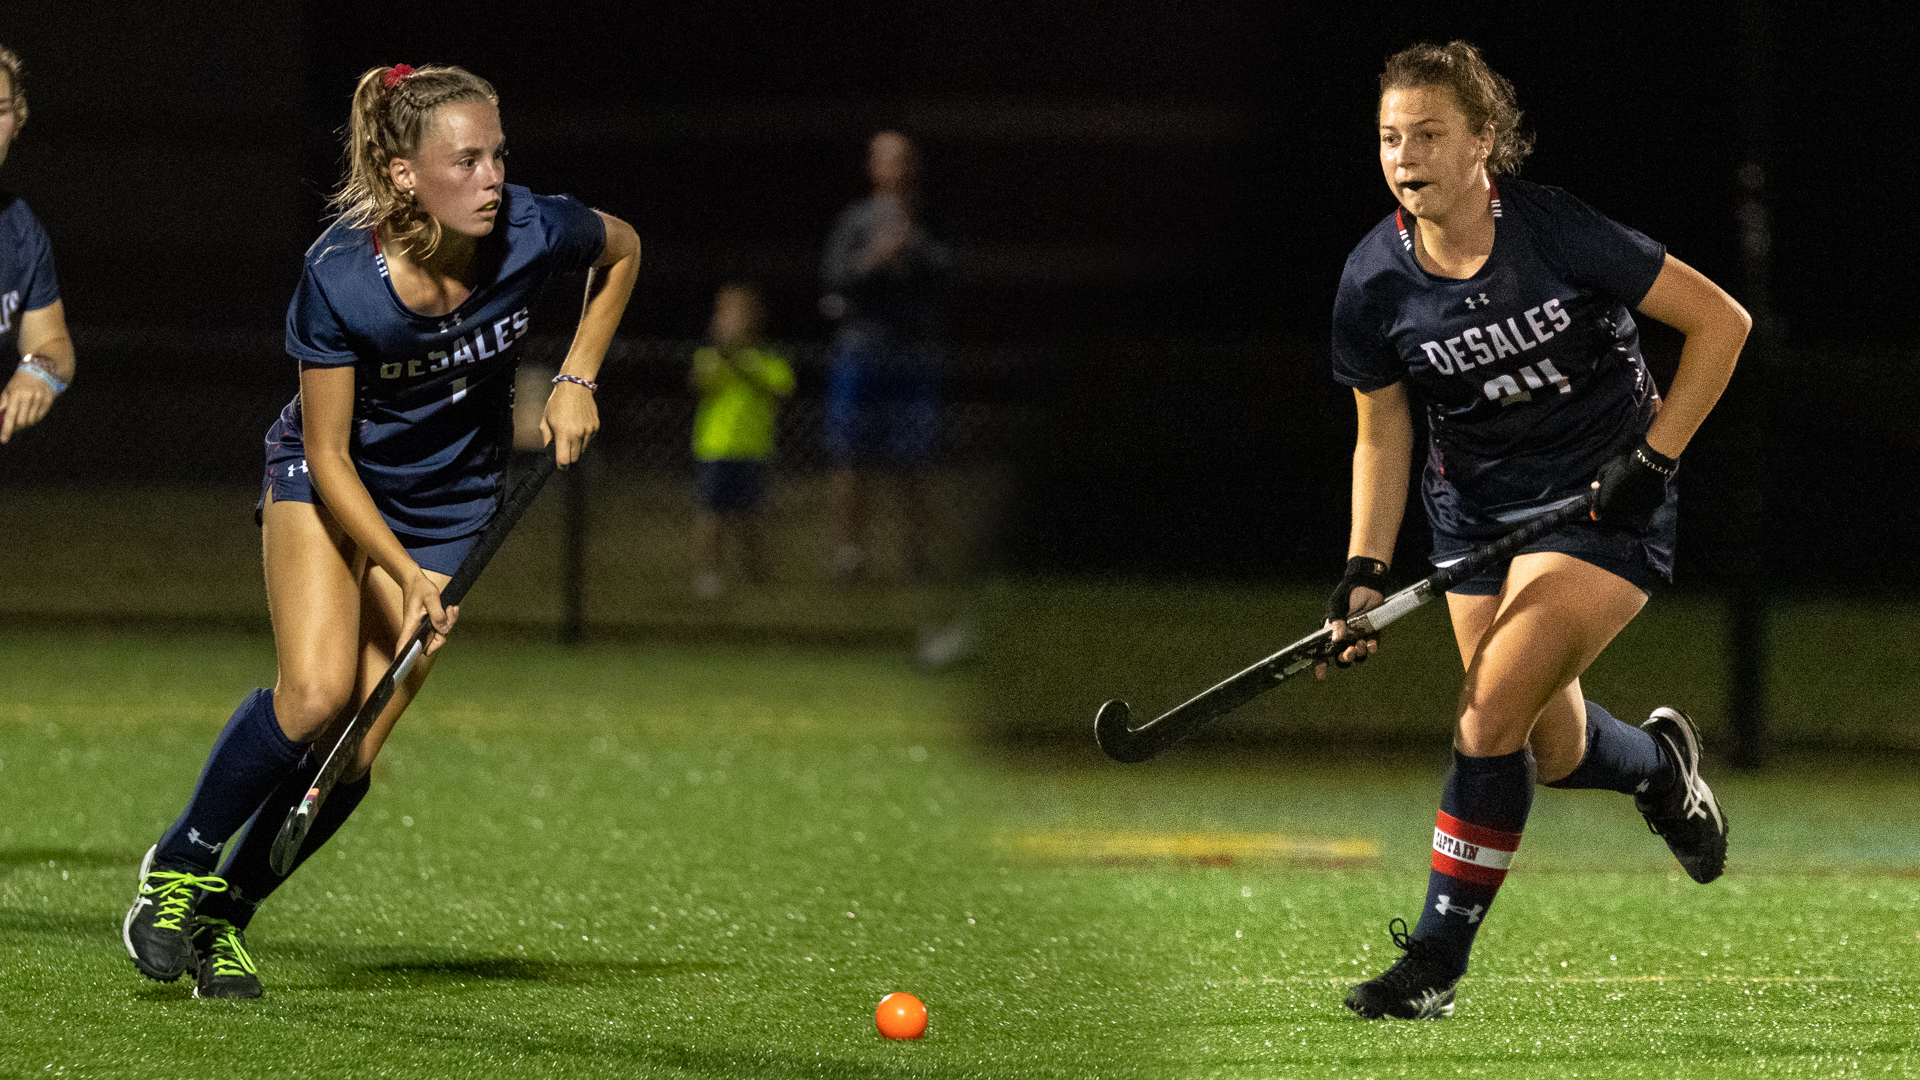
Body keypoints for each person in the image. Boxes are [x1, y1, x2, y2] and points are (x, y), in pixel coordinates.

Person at [121, 63, 640, 999]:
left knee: (353, 749)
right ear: (405, 175)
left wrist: (577, 377)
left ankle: (222, 923)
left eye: (499, 155)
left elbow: (626, 248)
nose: (494, 179)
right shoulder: (340, 279)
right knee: (317, 692)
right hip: (327, 489)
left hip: (451, 504)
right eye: (467, 160)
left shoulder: (529, 228)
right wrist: (404, 573)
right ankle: (177, 868)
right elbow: (329, 454)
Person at [1325, 42, 1747, 1020]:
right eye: (1391, 136)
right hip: (1473, 520)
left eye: (1429, 133)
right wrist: (1362, 568)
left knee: (1483, 715)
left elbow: (1720, 322)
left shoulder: (1556, 232)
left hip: (1602, 509)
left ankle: (1433, 964)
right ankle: (1660, 771)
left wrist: (1656, 456)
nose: (1405, 154)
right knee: (1546, 751)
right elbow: (1382, 429)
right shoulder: (1372, 280)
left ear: (1483, 142)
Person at [819, 130, 951, 582]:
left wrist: (915, 251)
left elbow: (946, 274)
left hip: (913, 352)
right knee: (850, 456)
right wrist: (876, 258)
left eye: (902, 157)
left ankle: (918, 554)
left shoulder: (929, 219)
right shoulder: (854, 220)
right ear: (871, 166)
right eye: (884, 157)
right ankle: (850, 554)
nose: (893, 165)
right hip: (861, 350)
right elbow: (833, 279)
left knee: (915, 457)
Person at [689, 282, 793, 597]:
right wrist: (725, 354)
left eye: (742, 313)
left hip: (753, 450)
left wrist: (740, 358)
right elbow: (700, 383)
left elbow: (781, 387)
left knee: (753, 518)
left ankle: (757, 574)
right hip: (715, 449)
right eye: (727, 314)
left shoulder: (769, 358)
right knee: (712, 516)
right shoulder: (709, 356)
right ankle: (707, 574)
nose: (734, 320)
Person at [0, 45, 76, 446]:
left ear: (17, 121)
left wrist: (38, 369)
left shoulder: (22, 232)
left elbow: (52, 343)